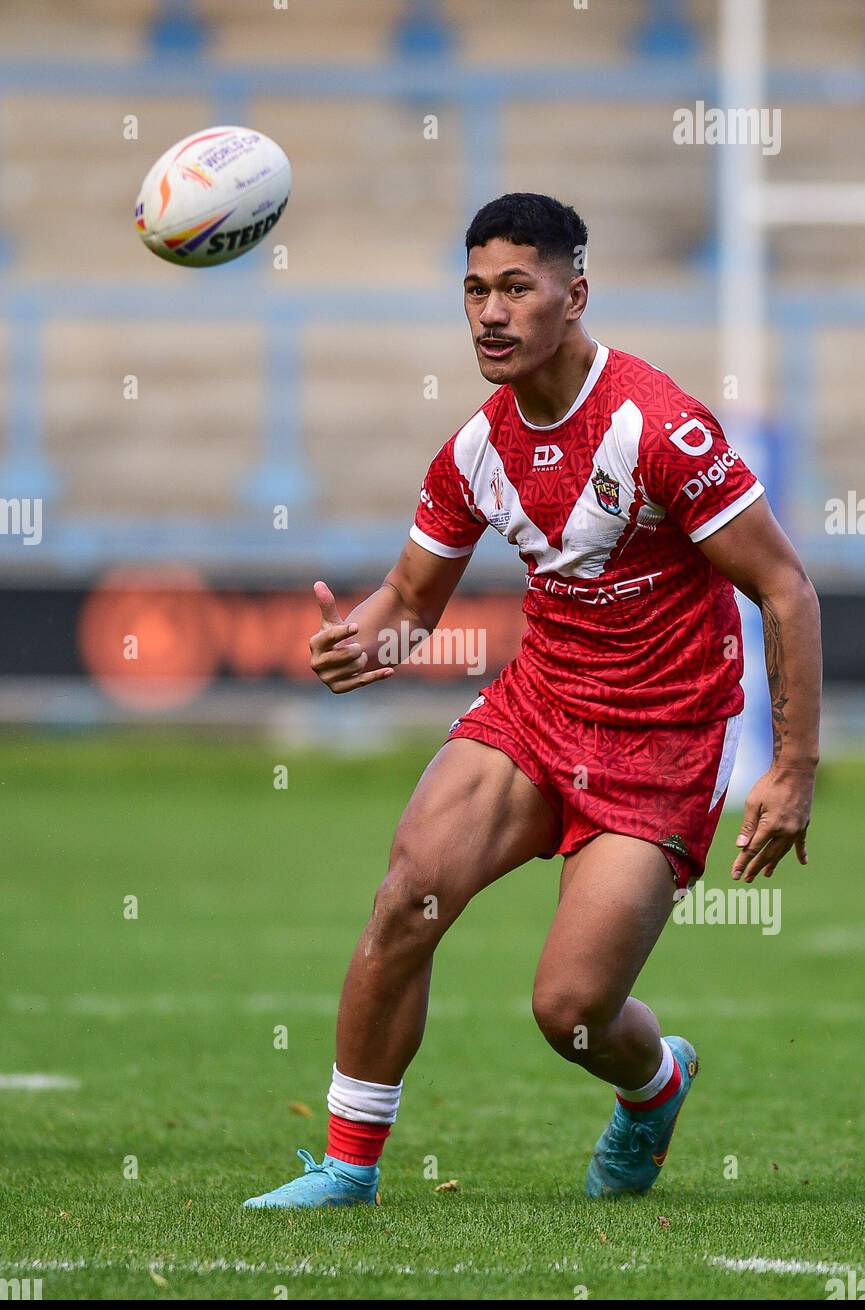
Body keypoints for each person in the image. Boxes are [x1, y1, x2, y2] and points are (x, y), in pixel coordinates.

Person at [244, 193, 821, 1208]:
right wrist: (359, 640)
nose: (490, 314)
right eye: (475, 290)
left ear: (575, 294)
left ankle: (654, 1082)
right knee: (403, 900)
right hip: (537, 713)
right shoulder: (476, 447)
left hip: (660, 744)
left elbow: (784, 586)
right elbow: (411, 603)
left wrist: (791, 766)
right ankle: (347, 1168)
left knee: (570, 1012)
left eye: (517, 288)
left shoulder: (662, 429)